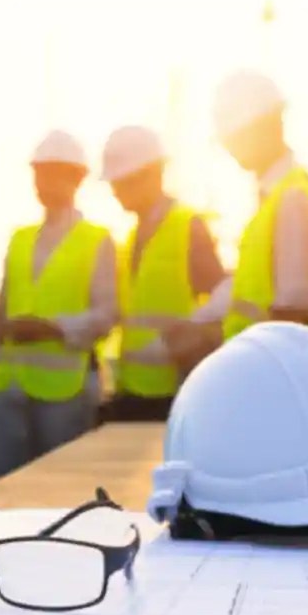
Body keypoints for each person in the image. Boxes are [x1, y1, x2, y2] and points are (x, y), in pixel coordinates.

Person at [0, 131, 117, 479]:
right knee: (3, 487)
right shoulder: (20, 239)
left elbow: (107, 314)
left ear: (77, 179)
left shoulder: (96, 240)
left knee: (61, 487)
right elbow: (4, 308)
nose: (44, 182)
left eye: (55, 173)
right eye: (39, 173)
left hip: (64, 390)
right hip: (9, 386)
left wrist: (53, 327)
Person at [100, 125, 229, 421]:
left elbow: (221, 297)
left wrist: (184, 337)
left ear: (149, 174)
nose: (115, 192)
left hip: (175, 392)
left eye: (120, 182)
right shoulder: (132, 237)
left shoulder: (187, 226)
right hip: (132, 390)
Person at [211, 70, 308, 340]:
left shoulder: (293, 200)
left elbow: (294, 311)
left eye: (235, 137)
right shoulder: (272, 199)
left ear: (268, 126)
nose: (230, 148)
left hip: (283, 367)